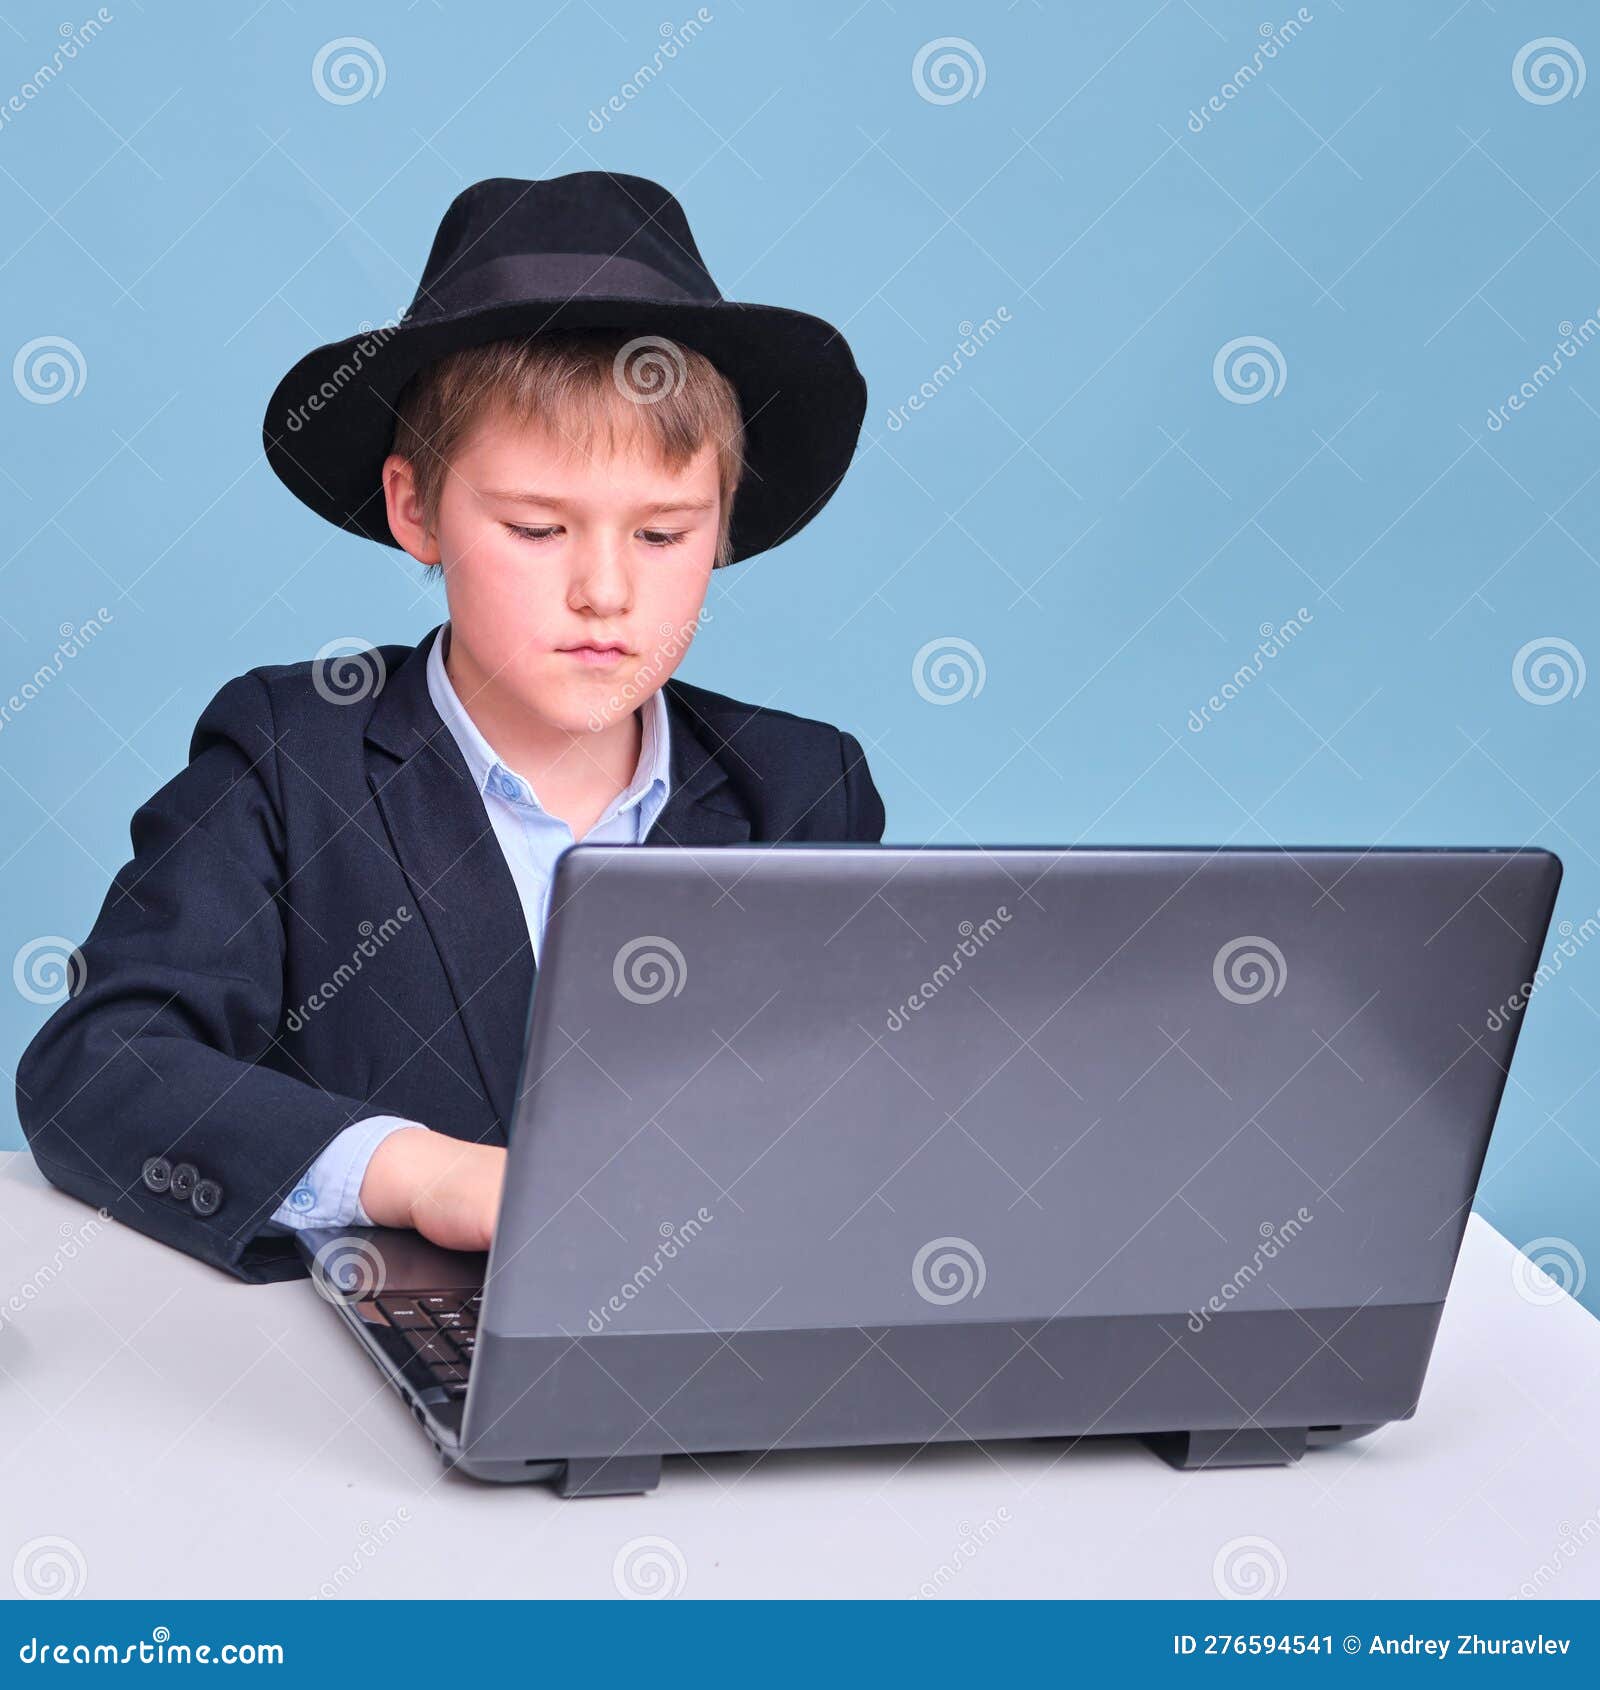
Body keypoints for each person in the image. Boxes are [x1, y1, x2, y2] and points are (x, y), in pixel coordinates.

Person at [15, 172, 885, 1282]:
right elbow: (97, 1067)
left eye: (663, 534)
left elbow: (863, 1107)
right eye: (535, 527)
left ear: (721, 526)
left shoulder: (804, 784)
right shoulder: (290, 756)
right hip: (355, 1365)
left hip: (715, 1347)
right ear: (415, 509)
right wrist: (420, 1172)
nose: (604, 591)